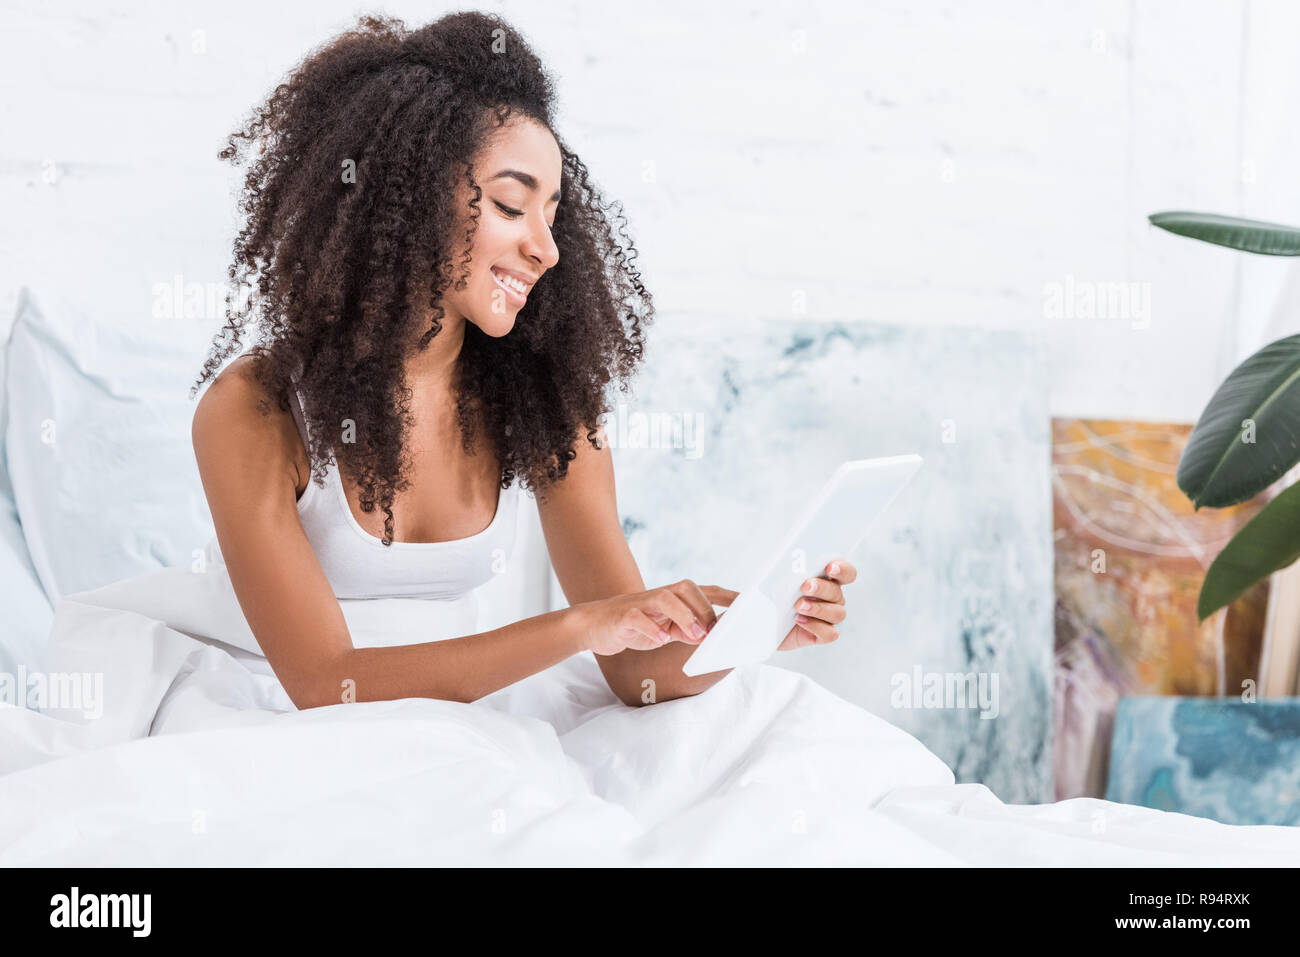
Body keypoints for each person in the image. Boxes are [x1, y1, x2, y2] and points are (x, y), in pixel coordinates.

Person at [190, 11, 856, 710]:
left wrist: (755, 625)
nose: (548, 247)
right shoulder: (254, 409)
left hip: (446, 725)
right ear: (408, 197)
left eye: (553, 212)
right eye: (512, 205)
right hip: (265, 714)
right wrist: (578, 627)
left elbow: (638, 675)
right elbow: (328, 685)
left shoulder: (543, 405)